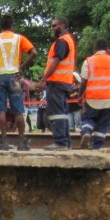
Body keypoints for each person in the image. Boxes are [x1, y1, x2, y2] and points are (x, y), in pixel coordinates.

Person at [0, 15, 37, 150]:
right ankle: (21, 142)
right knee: (18, 110)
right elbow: (33, 52)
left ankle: (4, 141)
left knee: (1, 109)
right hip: (15, 77)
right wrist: (21, 66)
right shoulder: (19, 39)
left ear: (1, 26)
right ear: (12, 25)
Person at [37, 17, 77, 150]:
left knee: (56, 113)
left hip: (56, 82)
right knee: (62, 113)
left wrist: (43, 79)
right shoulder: (69, 40)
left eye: (54, 26)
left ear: (62, 25)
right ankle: (66, 142)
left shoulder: (62, 41)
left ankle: (60, 142)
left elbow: (55, 62)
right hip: (64, 81)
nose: (52, 28)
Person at [77, 39, 110, 150]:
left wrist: (80, 95)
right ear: (107, 48)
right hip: (108, 98)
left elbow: (84, 80)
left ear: (95, 48)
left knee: (88, 118)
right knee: (103, 123)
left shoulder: (88, 61)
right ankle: (98, 146)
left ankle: (86, 131)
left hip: (93, 97)